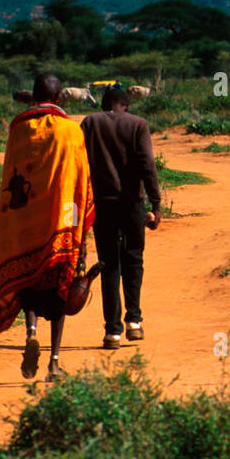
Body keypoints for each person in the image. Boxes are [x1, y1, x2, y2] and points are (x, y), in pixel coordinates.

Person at [0, 73, 95, 379]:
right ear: (60, 97)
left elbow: (11, 175)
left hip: (24, 224)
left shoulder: (18, 129)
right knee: (60, 290)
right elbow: (80, 182)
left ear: (33, 96)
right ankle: (54, 362)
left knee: (29, 284)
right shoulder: (71, 131)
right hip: (61, 223)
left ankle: (31, 332)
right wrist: (79, 228)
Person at [80, 86, 161, 349]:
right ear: (125, 105)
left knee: (108, 265)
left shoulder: (90, 123)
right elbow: (147, 164)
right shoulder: (138, 124)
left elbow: (79, 163)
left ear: (104, 105)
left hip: (102, 205)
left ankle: (112, 331)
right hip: (132, 204)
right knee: (134, 259)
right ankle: (134, 321)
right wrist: (156, 203)